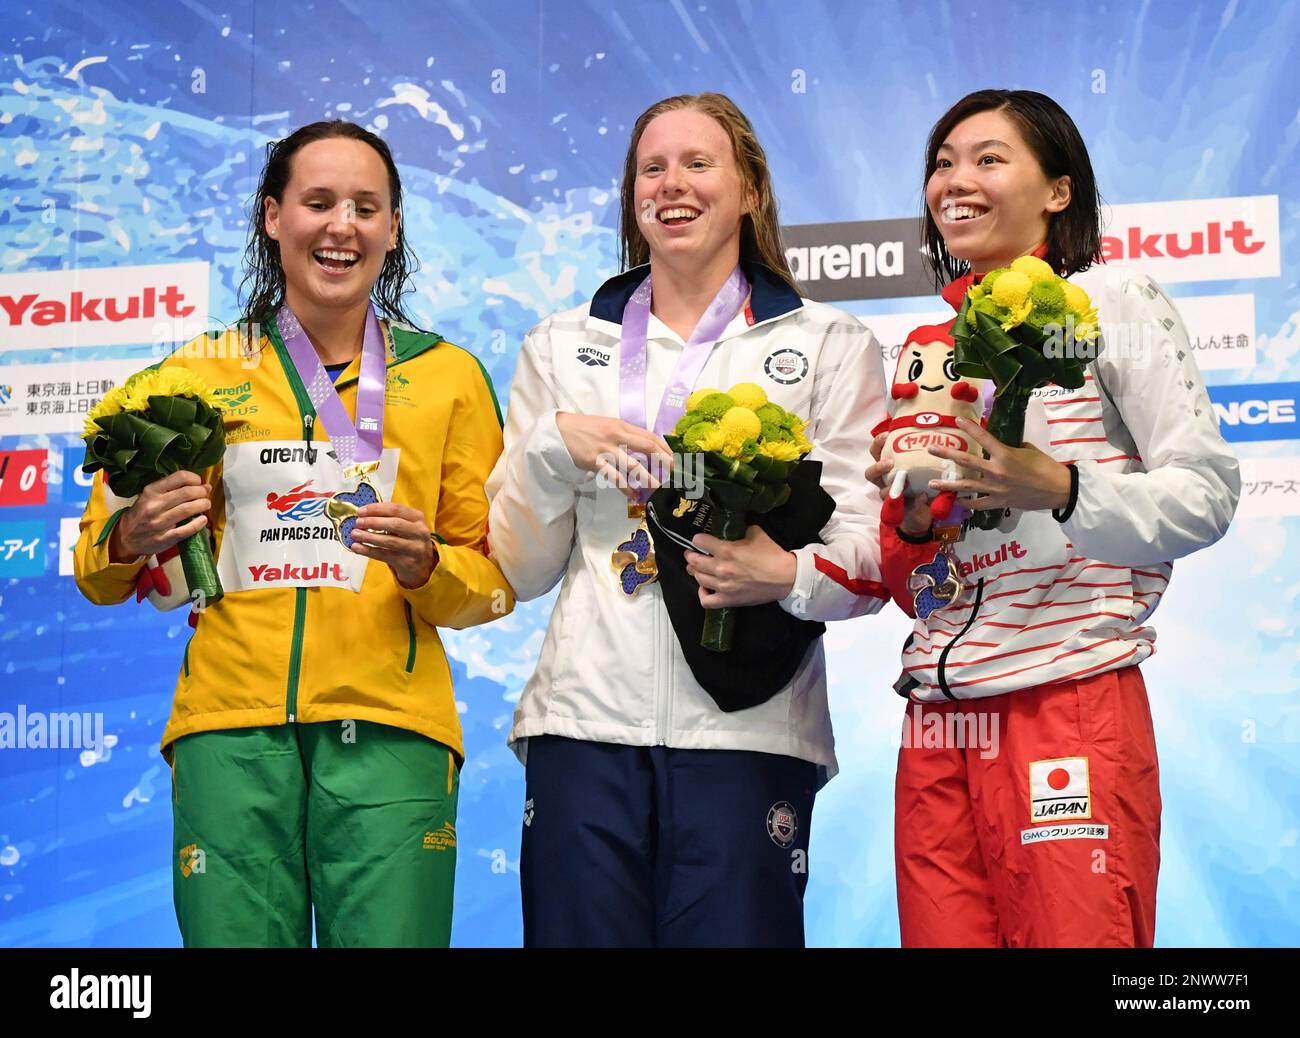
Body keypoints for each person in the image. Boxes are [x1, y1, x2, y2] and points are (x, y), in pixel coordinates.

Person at [73, 120, 514, 947]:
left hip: (390, 734)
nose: (341, 225)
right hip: (230, 733)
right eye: (318, 202)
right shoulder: (190, 374)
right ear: (273, 217)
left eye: (365, 207)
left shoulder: (449, 378)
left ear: (391, 228)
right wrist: (132, 533)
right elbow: (97, 570)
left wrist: (428, 565)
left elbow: (492, 587)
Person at [485, 93, 890, 947]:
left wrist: (784, 573)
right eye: (652, 167)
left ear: (751, 190)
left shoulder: (828, 344)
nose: (673, 184)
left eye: (699, 163)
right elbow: (518, 569)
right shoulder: (562, 344)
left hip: (750, 729)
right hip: (583, 728)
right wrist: (555, 448)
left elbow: (868, 550)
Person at [866, 90, 1240, 947]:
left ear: (1059, 191)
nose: (955, 181)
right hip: (937, 718)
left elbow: (1207, 493)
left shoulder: (1109, 301)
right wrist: (917, 522)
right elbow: (916, 582)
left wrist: (1063, 488)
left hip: (1065, 697)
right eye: (943, 161)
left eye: (989, 159)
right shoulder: (932, 348)